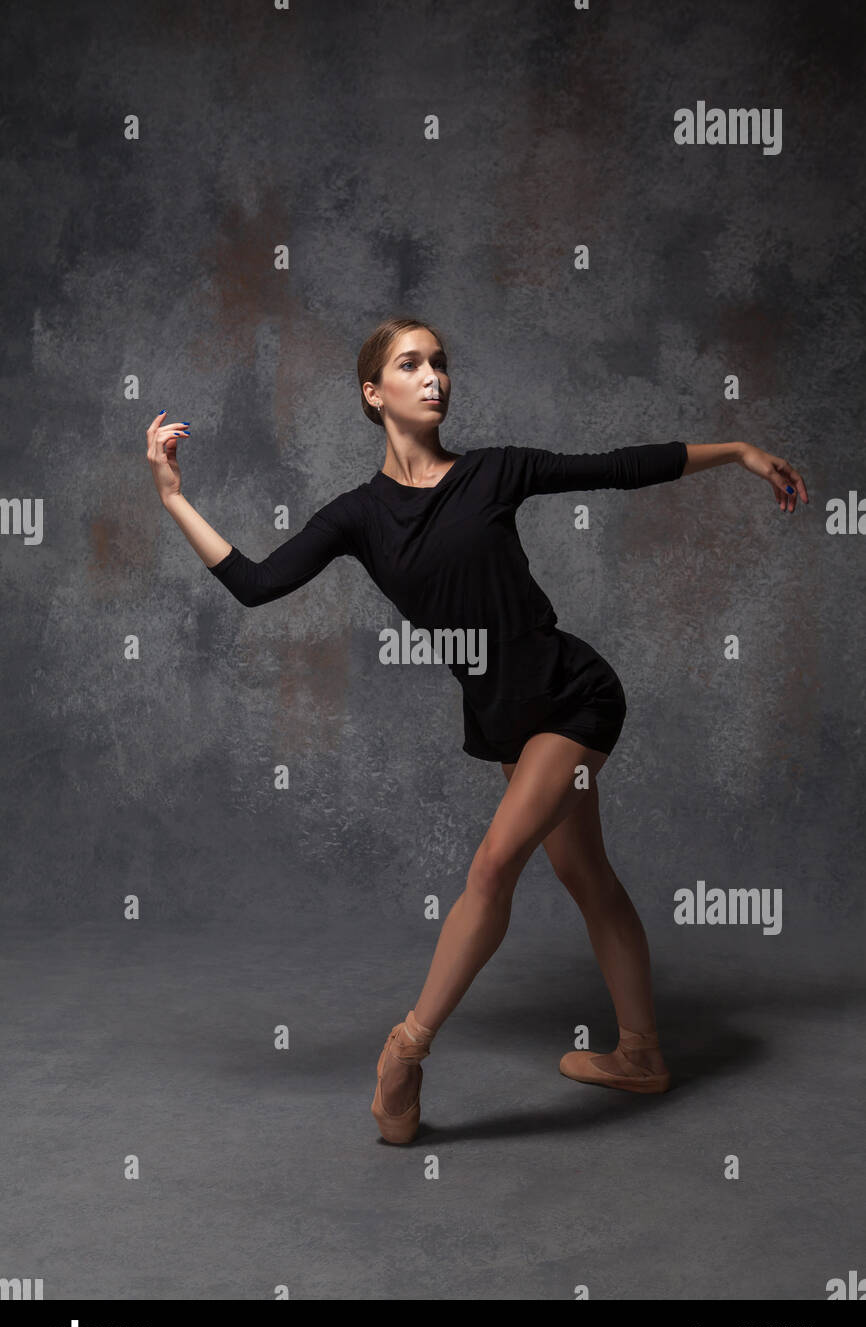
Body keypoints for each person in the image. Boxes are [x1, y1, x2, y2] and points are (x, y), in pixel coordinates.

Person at [146, 316, 808, 1145]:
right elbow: (253, 583)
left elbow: (619, 468)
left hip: (572, 696)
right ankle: (640, 1054)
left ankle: (407, 1048)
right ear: (372, 392)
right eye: (411, 364)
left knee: (493, 866)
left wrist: (737, 451)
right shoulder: (357, 518)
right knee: (588, 876)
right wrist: (175, 498)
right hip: (505, 719)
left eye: (441, 364)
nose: (435, 378)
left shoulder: (495, 473)